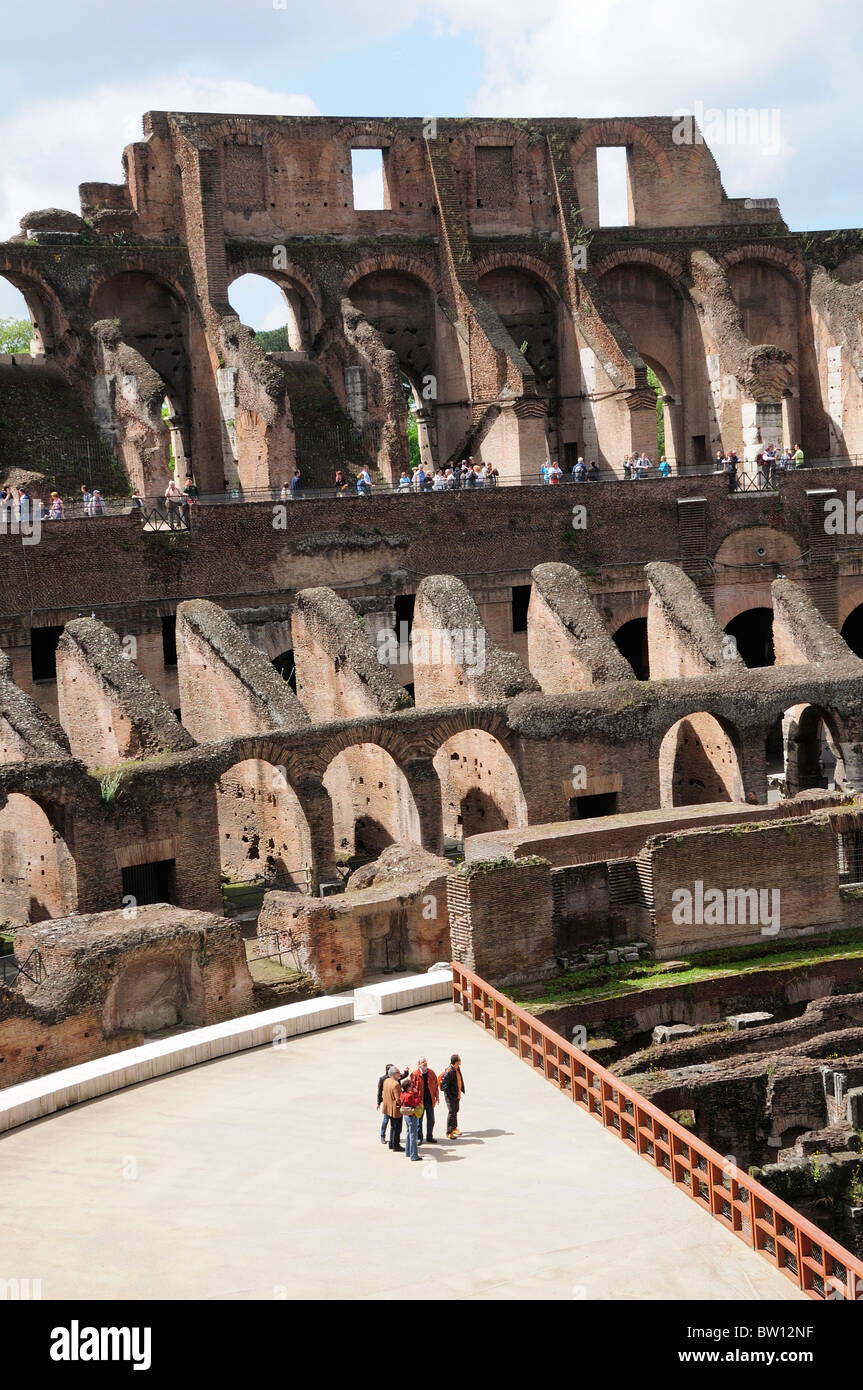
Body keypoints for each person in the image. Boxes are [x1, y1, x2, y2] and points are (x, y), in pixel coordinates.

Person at [411, 1057, 440, 1145]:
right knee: (419, 1121)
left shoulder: (431, 1072)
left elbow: (435, 1085)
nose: (425, 1063)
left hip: (430, 1101)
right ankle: (419, 1138)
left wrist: (437, 1096)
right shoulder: (415, 1074)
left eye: (425, 1061)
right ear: (419, 1064)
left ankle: (429, 1136)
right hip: (420, 1102)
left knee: (431, 1120)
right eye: (422, 1062)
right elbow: (411, 1087)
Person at [439, 1053, 466, 1139]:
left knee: (455, 1110)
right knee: (451, 1111)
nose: (461, 1061)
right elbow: (443, 1085)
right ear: (456, 1062)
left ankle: (454, 1128)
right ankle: (449, 1131)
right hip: (451, 1096)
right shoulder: (449, 1071)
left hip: (456, 1094)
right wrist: (450, 1094)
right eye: (459, 1060)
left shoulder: (457, 1068)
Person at [399, 1075, 424, 1161]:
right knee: (413, 1135)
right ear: (408, 1087)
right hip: (411, 1116)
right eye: (411, 1086)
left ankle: (408, 1152)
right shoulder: (409, 1096)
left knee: (408, 1134)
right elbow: (416, 1103)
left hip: (406, 1115)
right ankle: (414, 1155)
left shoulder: (402, 1094)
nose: (413, 1087)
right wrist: (416, 1093)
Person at [381, 1067, 404, 1152]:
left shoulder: (386, 1081)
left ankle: (391, 1144)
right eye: (398, 1072)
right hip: (395, 1109)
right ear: (394, 1074)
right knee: (397, 1128)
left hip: (388, 1107)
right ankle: (396, 1145)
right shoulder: (396, 1084)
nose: (400, 1074)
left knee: (392, 1127)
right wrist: (404, 1104)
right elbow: (398, 1099)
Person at [377, 1062, 396, 1145]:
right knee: (385, 1120)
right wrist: (378, 1102)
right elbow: (379, 1091)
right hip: (386, 1103)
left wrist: (406, 1072)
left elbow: (402, 1076)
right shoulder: (382, 1079)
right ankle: (382, 1135)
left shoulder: (395, 1077)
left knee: (393, 1121)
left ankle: (392, 1138)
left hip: (393, 1103)